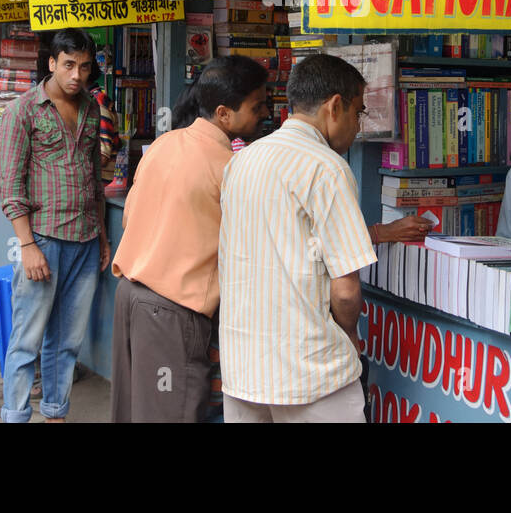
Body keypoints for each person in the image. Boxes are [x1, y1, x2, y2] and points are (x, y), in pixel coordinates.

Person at [218, 53, 378, 423]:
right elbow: (345, 290)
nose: (357, 126)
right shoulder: (327, 168)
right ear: (335, 106)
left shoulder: (243, 161)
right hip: (311, 371)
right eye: (358, 112)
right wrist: (350, 335)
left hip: (243, 366)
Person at [110, 55, 270, 423]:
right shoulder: (230, 168)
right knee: (170, 413)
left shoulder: (164, 144)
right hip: (170, 312)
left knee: (133, 412)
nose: (264, 113)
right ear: (224, 113)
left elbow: (130, 217)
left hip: (131, 297)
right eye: (257, 106)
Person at [0, 29, 115, 423]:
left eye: (84, 66)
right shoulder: (22, 110)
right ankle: (15, 415)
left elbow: (95, 180)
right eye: (69, 65)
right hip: (44, 241)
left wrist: (101, 236)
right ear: (52, 63)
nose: (77, 75)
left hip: (84, 241)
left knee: (67, 342)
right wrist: (27, 245)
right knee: (26, 341)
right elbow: (10, 184)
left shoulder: (91, 109)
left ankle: (55, 413)